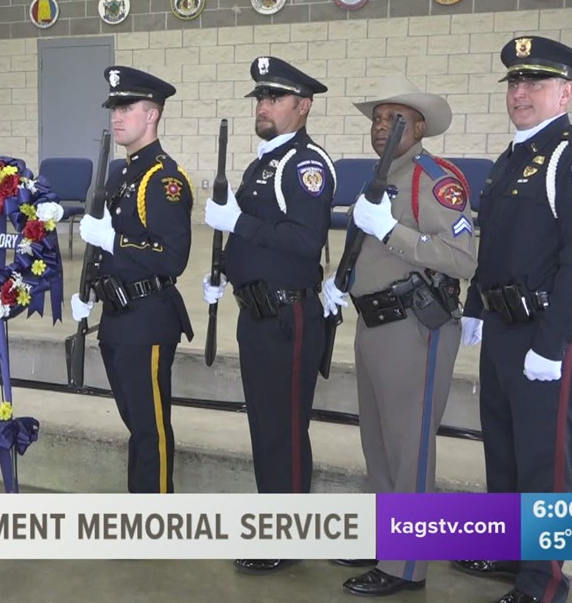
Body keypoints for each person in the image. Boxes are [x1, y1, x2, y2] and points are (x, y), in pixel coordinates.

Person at [452, 37, 572, 603]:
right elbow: (492, 247)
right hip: (502, 328)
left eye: (536, 83)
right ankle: (507, 550)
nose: (521, 93)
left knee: (545, 463)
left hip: (550, 333)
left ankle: (543, 581)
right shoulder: (510, 159)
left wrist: (552, 343)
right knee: (503, 449)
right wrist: (475, 308)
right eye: (515, 83)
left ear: (565, 92)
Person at [320, 78, 477, 595]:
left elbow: (463, 258)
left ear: (422, 128)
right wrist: (341, 281)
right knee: (380, 445)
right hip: (374, 324)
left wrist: (393, 231)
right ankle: (385, 538)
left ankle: (406, 566)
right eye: (378, 120)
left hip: (415, 328)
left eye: (396, 120)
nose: (383, 127)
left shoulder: (433, 179)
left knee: (410, 449)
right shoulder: (382, 173)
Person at [201, 57, 334, 575]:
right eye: (260, 98)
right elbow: (250, 236)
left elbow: (306, 243)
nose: (264, 106)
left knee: (284, 428)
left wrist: (239, 223)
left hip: (288, 315)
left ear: (302, 107)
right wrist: (224, 271)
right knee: (265, 426)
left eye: (275, 98)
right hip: (255, 313)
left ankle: (287, 533)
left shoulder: (307, 164)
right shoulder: (263, 163)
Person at [71, 66, 193, 494]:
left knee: (150, 427)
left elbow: (173, 257)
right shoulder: (121, 174)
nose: (117, 116)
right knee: (135, 421)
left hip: (148, 316)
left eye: (127, 107)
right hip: (118, 313)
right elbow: (104, 249)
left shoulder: (164, 179)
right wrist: (88, 289)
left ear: (153, 114)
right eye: (114, 108)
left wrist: (113, 240)